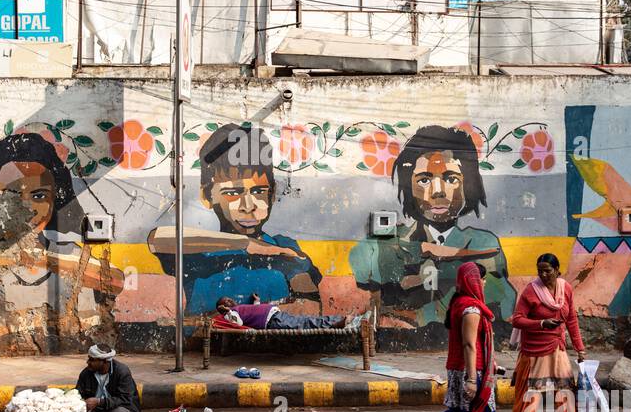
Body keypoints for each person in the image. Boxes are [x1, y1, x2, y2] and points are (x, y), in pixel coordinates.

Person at [0, 132, 121, 353]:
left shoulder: (68, 253)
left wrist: (41, 260)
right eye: (12, 194)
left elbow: (114, 283)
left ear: (55, 199)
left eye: (38, 196)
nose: (26, 208)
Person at [350, 125, 514, 333]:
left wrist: (420, 315)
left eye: (451, 179)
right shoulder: (395, 242)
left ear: (469, 184)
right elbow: (363, 272)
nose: (438, 192)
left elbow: (500, 300)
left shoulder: (483, 243)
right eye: (425, 180)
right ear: (408, 185)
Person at [150, 124, 321, 316]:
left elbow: (311, 308)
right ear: (207, 196)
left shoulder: (284, 247)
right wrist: (245, 244)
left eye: (258, 191)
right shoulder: (197, 249)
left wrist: (241, 314)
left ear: (271, 195)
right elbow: (157, 239)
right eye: (232, 193)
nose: (248, 206)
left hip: (273, 342)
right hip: (205, 343)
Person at [409, 263, 510, 412]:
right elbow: (469, 344)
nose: (484, 283)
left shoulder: (459, 303)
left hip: (460, 367)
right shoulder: (472, 308)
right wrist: (472, 379)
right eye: (482, 279)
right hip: (471, 370)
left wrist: (492, 363)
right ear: (475, 281)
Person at [504, 253, 600, 412]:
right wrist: (541, 324)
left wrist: (580, 349)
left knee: (568, 398)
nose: (543, 274)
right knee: (528, 400)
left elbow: (572, 318)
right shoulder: (531, 291)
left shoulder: (565, 288)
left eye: (547, 270)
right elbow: (517, 319)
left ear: (558, 270)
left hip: (558, 351)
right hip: (533, 354)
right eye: (540, 270)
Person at [74, 344, 142, 412]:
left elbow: (125, 399)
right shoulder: (86, 373)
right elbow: (77, 394)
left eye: (92, 360)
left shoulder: (122, 371)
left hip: (116, 410)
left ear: (105, 361)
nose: (88, 362)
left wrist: (99, 402)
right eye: (89, 358)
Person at [216, 296, 358, 331]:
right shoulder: (230, 314)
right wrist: (228, 312)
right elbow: (239, 323)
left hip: (275, 315)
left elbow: (252, 313)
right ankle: (336, 323)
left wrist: (257, 302)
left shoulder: (240, 307)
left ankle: (339, 320)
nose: (230, 301)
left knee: (306, 320)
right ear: (222, 308)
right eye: (226, 302)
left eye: (229, 299)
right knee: (305, 323)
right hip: (272, 321)